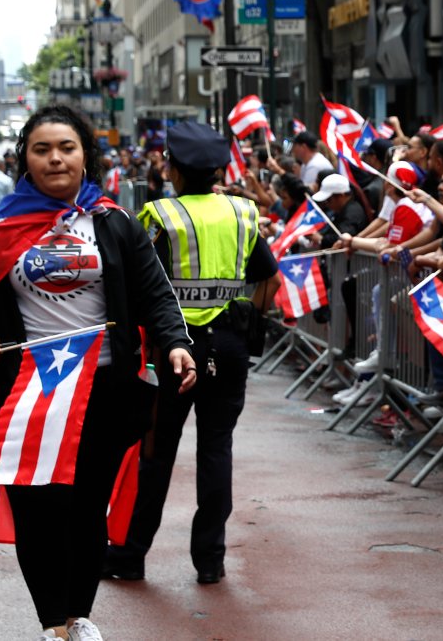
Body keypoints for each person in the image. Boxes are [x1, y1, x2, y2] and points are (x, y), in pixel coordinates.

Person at [0, 104, 197, 641]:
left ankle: (78, 617)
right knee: (37, 510)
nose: (55, 158)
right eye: (42, 149)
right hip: (22, 392)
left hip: (104, 391)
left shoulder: (114, 221)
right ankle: (51, 624)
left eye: (66, 147)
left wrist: (177, 343)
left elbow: (155, 294)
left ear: (86, 155)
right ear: (26, 159)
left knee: (88, 508)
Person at [104, 121, 281, 587]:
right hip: (230, 345)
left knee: (156, 453)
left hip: (173, 349)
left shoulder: (160, 215)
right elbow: (268, 274)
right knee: (216, 449)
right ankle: (210, 561)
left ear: (175, 170)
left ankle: (130, 553)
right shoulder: (244, 213)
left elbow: (139, 282)